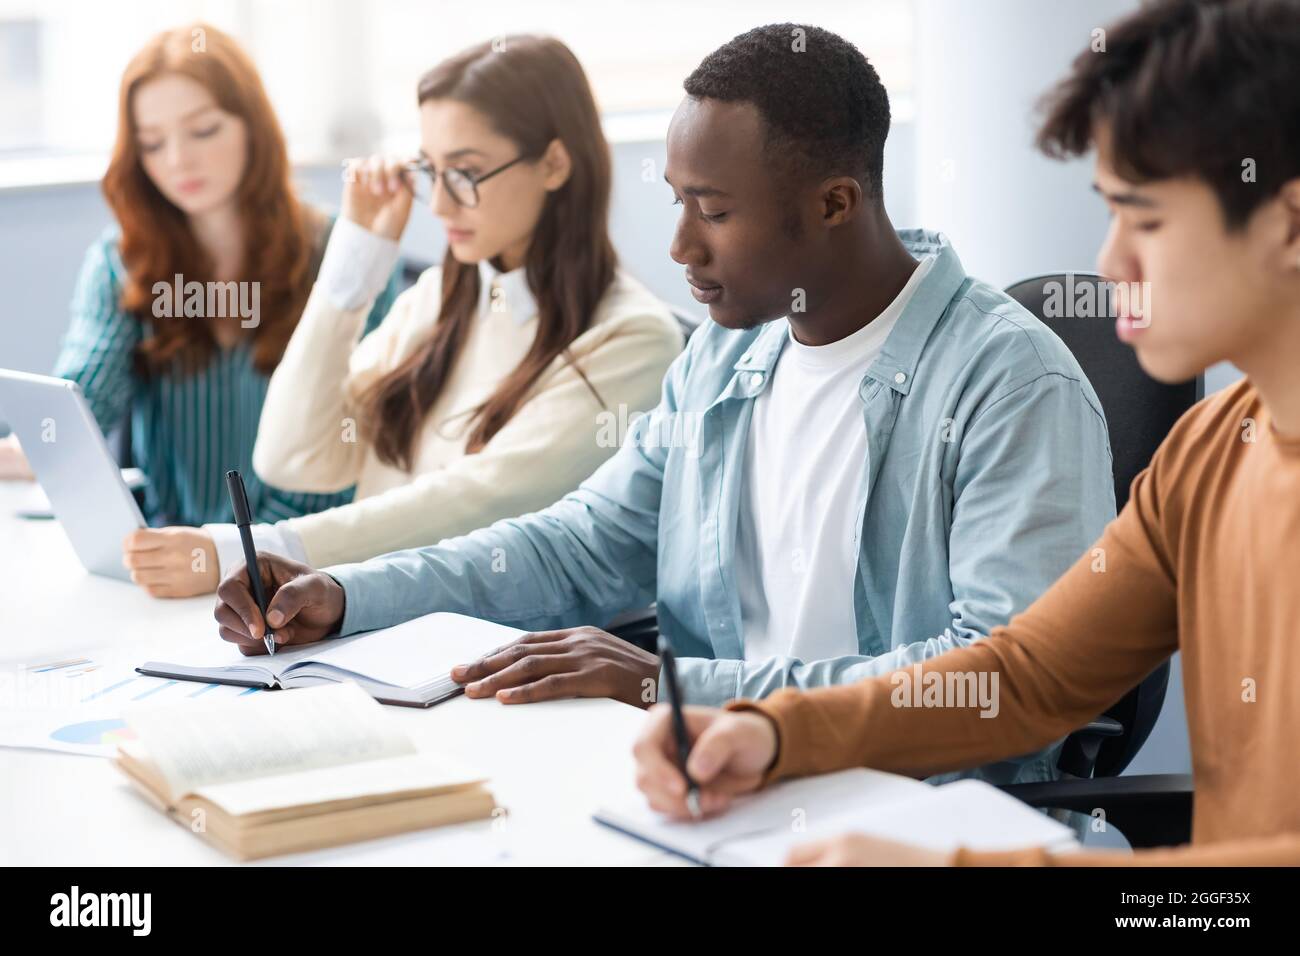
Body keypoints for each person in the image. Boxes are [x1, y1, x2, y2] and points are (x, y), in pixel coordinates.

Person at [213, 24, 1113, 786]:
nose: (679, 245)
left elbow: (1001, 686)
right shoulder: (726, 352)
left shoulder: (1009, 385)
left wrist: (678, 686)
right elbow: (582, 543)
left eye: (713, 212)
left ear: (837, 202)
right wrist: (347, 594)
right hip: (703, 782)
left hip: (906, 808)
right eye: (678, 202)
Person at [632, 0, 1300, 866]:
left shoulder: (1025, 375)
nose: (1108, 265)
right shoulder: (1213, 451)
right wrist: (774, 732)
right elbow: (1024, 677)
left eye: (1148, 220)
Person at [188, 35, 680, 584]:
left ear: (555, 163)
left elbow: (475, 503)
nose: (440, 205)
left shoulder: (633, 339)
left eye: (465, 173)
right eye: (431, 171)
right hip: (360, 628)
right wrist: (357, 255)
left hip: (474, 650)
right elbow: (292, 457)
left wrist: (254, 551)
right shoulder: (436, 300)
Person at [0, 22, 399, 597]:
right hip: (177, 565)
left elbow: (370, 434)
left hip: (314, 565)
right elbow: (72, 416)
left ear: (253, 128)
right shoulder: (122, 264)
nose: (179, 159)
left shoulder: (343, 251)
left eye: (204, 130)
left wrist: (250, 550)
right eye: (152, 142)